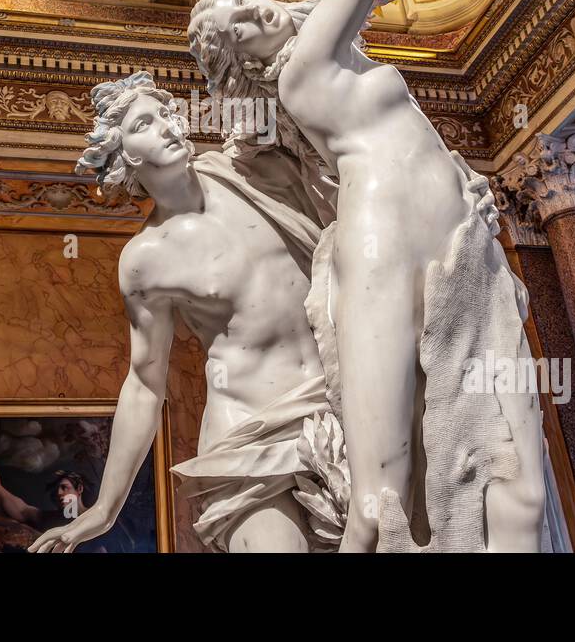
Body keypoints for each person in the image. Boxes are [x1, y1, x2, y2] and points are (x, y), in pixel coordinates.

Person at [187, 0, 545, 552]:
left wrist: (465, 178)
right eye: (237, 24)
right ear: (242, 61)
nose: (253, 8)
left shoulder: (328, 54)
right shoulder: (304, 68)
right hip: (381, 240)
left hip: (460, 241)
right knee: (382, 499)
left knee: (517, 488)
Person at [28, 72, 346, 553]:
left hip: (344, 405)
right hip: (249, 432)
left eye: (168, 113)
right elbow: (144, 383)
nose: (170, 126)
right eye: (144, 123)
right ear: (126, 153)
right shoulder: (147, 257)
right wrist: (104, 508)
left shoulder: (253, 173)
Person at [0, 466, 132, 553]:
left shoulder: (99, 518)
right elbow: (22, 511)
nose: (60, 493)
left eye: (64, 488)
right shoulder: (52, 519)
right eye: (58, 490)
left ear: (79, 488)